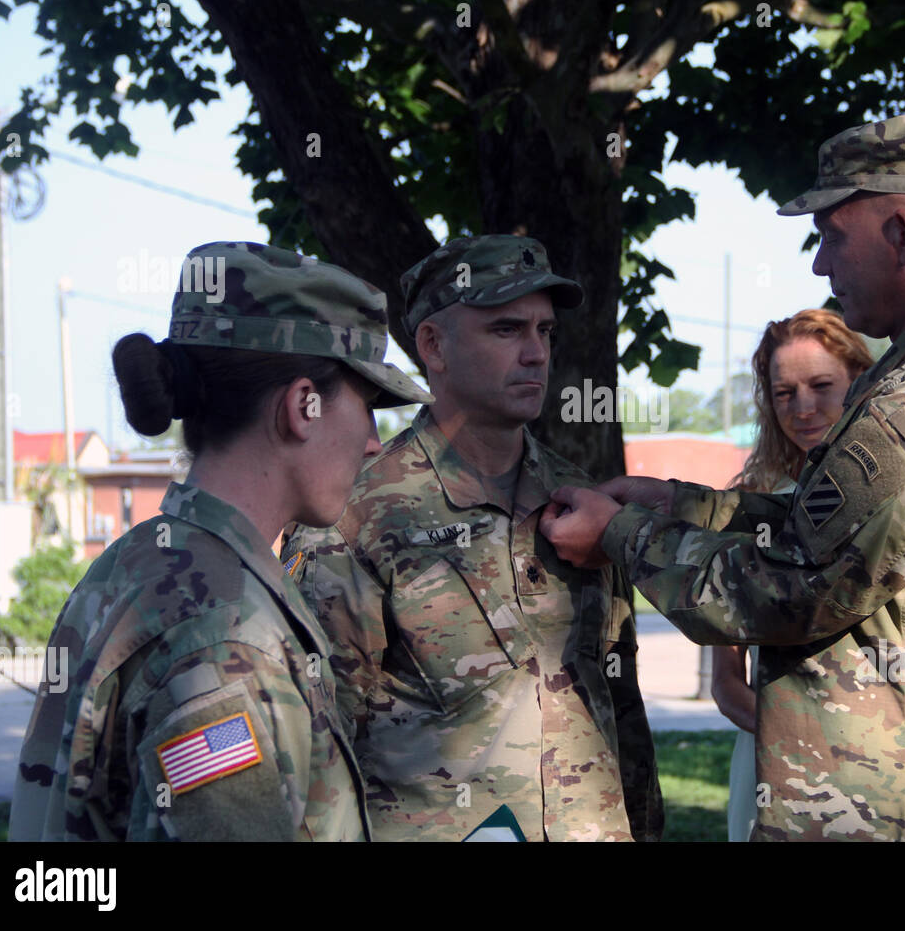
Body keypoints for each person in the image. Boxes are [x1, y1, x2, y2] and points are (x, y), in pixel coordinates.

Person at [540, 114, 905, 841]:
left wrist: (619, 536)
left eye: (832, 237)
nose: (819, 267)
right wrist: (686, 504)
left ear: (900, 234)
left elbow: (788, 588)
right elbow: (835, 533)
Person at [9, 242, 433, 841]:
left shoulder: (141, 561)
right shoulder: (228, 634)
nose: (372, 440)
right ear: (302, 407)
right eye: (367, 406)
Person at [281, 235, 662, 842]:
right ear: (433, 346)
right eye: (507, 330)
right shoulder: (359, 516)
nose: (536, 353)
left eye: (545, 331)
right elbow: (316, 747)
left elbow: (620, 703)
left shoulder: (579, 500)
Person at [713, 309, 872, 841]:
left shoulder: (897, 496)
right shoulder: (750, 510)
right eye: (784, 392)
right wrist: (801, 740)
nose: (803, 408)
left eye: (821, 385)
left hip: (883, 768)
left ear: (858, 382)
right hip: (774, 769)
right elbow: (727, 683)